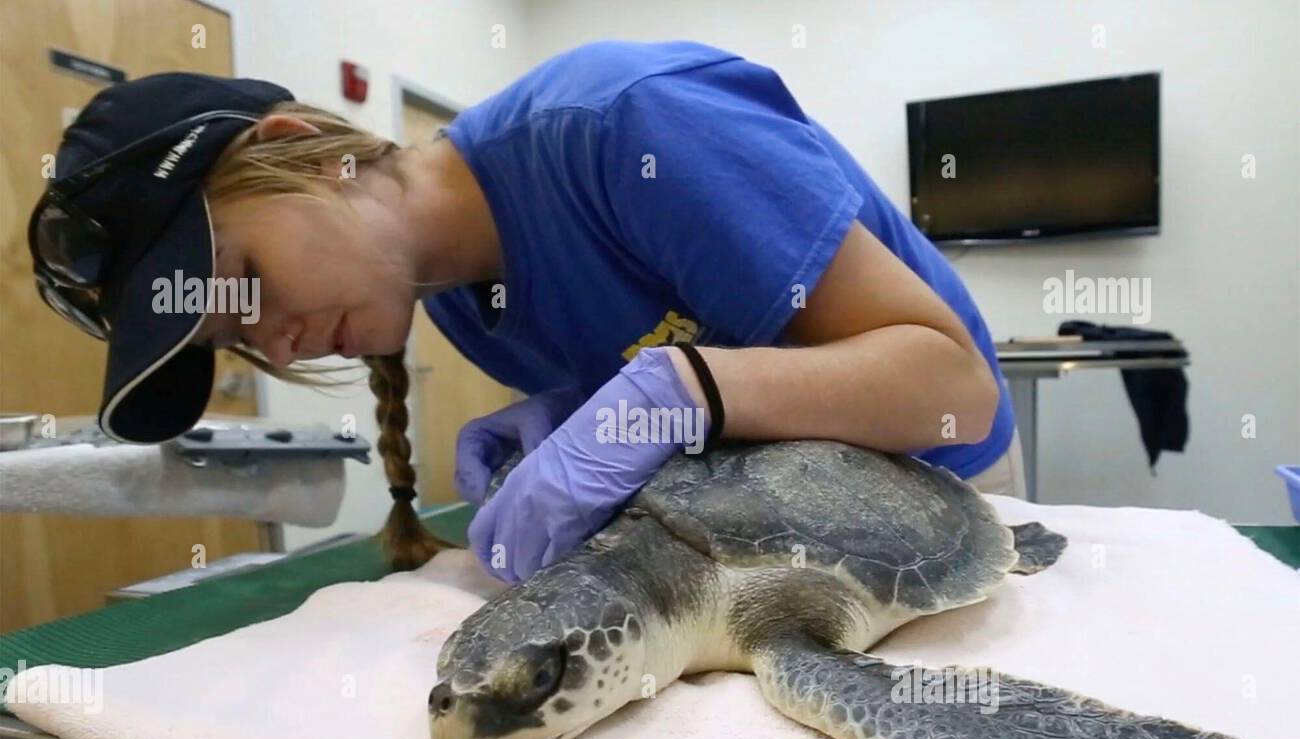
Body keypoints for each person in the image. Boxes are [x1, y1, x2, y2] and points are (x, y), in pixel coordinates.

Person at [28, 40, 1025, 584]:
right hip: (794, 537)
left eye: (241, 277)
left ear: (303, 147)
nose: (271, 338)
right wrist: (594, 423)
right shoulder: (455, 301)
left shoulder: (626, 123)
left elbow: (955, 391)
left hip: (945, 502)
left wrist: (683, 391)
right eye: (230, 336)